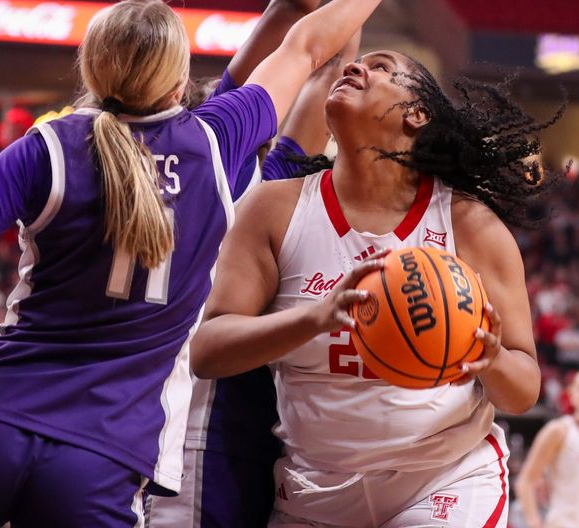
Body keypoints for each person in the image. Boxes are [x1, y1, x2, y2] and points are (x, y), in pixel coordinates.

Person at [0, 0, 446, 528]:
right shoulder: (227, 148)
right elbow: (305, 41)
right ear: (180, 82)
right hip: (126, 447)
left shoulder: (53, 144)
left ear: (91, 68)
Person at [192, 47, 564, 527]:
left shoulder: (469, 224)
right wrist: (315, 316)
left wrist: (489, 359)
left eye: (382, 67)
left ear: (417, 113)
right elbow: (207, 352)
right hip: (313, 490)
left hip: (442, 478)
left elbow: (523, 391)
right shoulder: (274, 209)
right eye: (357, 62)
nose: (356, 67)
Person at [146, 0, 382, 528]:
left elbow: (320, 61)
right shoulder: (216, 147)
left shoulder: (241, 161)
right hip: (196, 414)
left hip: (238, 411)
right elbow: (302, 31)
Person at [515, 373, 579, 528]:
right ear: (571, 393)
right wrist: (534, 523)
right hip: (563, 522)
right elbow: (525, 482)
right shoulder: (559, 431)